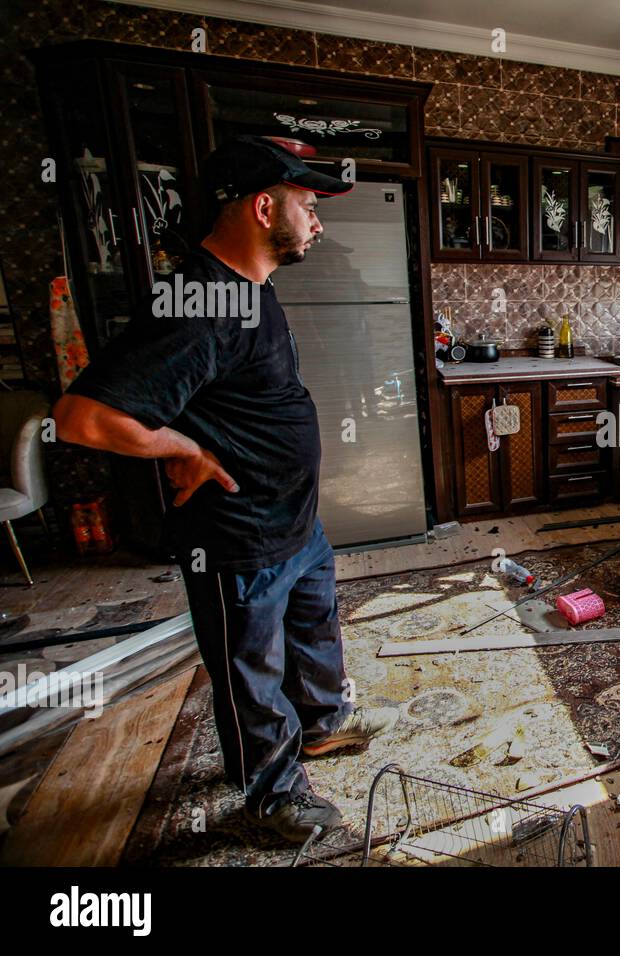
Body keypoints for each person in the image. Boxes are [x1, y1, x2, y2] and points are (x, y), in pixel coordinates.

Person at [53, 136, 397, 842]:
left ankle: (324, 726)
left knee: (313, 629)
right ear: (264, 205)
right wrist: (183, 449)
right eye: (307, 204)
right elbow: (82, 417)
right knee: (250, 671)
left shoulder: (248, 288)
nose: (317, 221)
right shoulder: (199, 302)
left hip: (294, 523)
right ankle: (273, 799)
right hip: (238, 535)